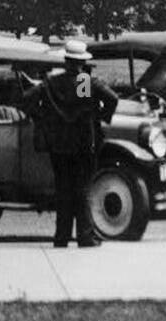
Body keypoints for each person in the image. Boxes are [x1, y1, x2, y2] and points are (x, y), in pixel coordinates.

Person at [23, 39, 119, 249]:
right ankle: (84, 236)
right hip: (83, 143)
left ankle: (61, 236)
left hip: (58, 144)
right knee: (82, 188)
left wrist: (42, 116)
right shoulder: (84, 82)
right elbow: (111, 99)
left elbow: (27, 98)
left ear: (66, 60)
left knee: (63, 189)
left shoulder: (51, 82)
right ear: (82, 62)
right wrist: (101, 116)